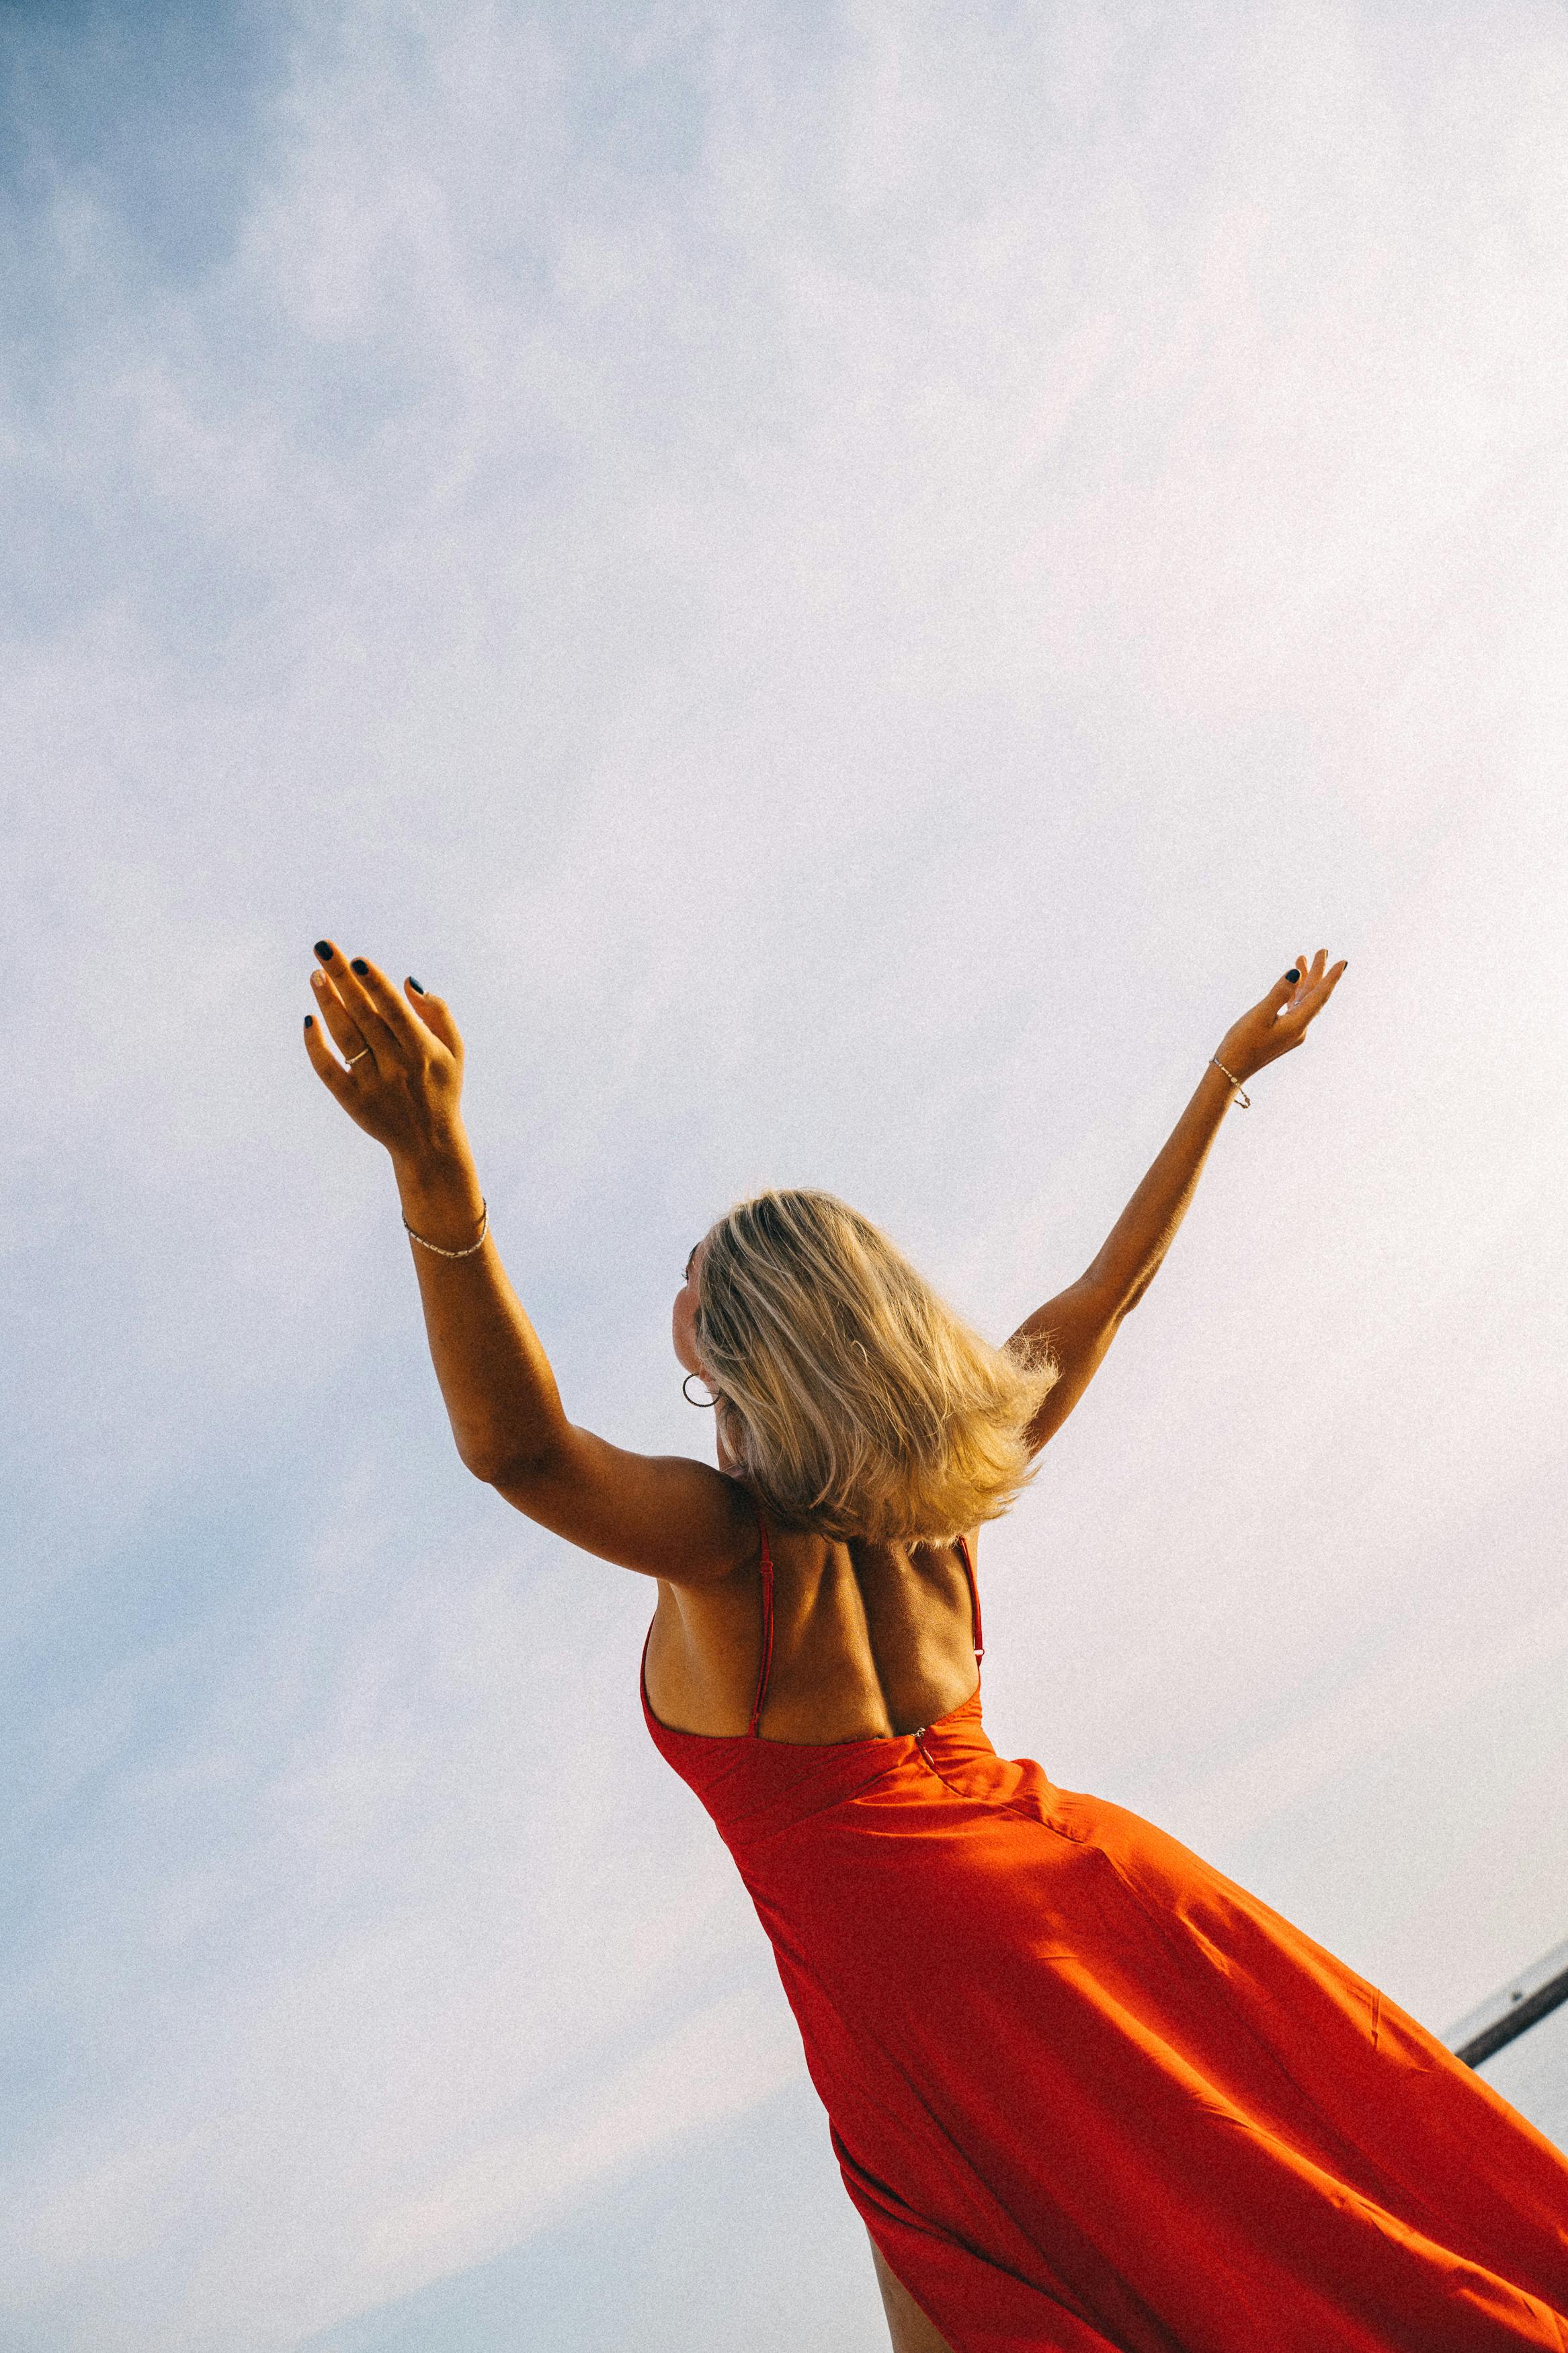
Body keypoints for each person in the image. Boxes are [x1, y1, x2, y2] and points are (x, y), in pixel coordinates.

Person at [304, 943, 1568, 2353]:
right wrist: (1222, 1079)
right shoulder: (942, 1504)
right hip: (1089, 1888)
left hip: (937, 1988)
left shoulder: (734, 1553)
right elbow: (1112, 1291)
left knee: (1107, 2290)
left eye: (690, 1275)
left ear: (736, 1341)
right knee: (1317, 2221)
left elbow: (522, 1448)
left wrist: (438, 1174)